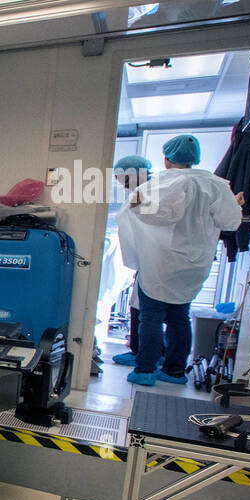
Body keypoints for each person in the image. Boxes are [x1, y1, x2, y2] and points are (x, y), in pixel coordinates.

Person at [115, 134, 243, 387]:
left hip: (161, 261)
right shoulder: (216, 185)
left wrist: (138, 206)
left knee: (150, 316)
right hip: (195, 263)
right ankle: (174, 371)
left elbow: (157, 216)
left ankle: (145, 370)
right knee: (179, 316)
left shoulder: (163, 183)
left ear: (166, 158)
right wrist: (236, 205)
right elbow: (230, 221)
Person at [108, 155, 152, 367]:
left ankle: (146, 357)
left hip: (155, 260)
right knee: (141, 307)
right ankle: (141, 350)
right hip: (147, 260)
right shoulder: (143, 191)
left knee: (149, 311)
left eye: (124, 181)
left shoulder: (151, 191)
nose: (123, 186)